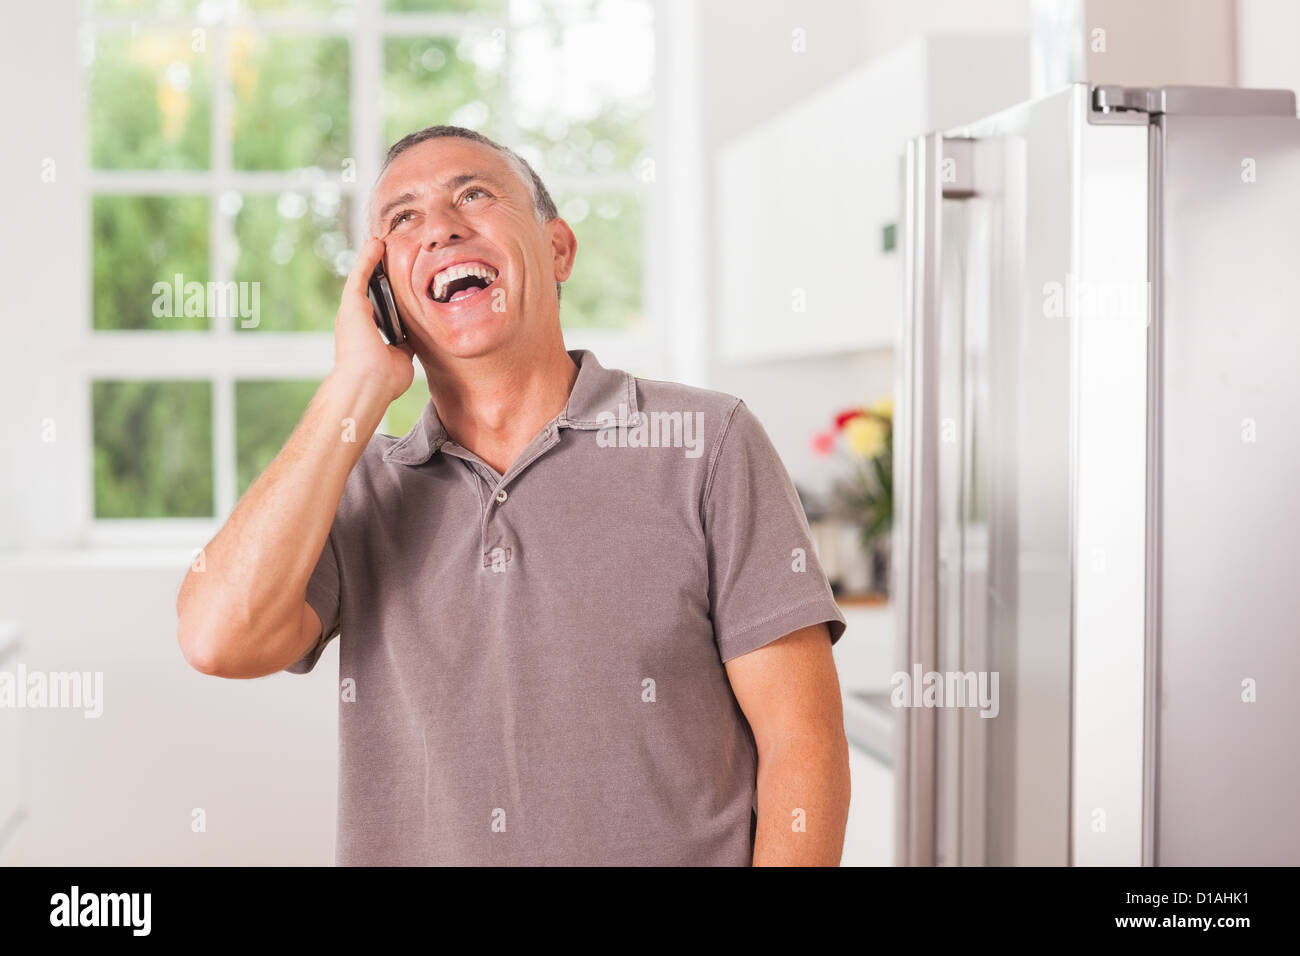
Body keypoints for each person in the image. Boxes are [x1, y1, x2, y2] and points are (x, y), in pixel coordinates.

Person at [176, 125, 850, 866]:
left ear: (557, 249)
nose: (440, 227)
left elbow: (802, 745)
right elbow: (216, 637)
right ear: (382, 293)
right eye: (403, 220)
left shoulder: (708, 442)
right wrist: (354, 385)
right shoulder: (363, 486)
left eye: (474, 194)